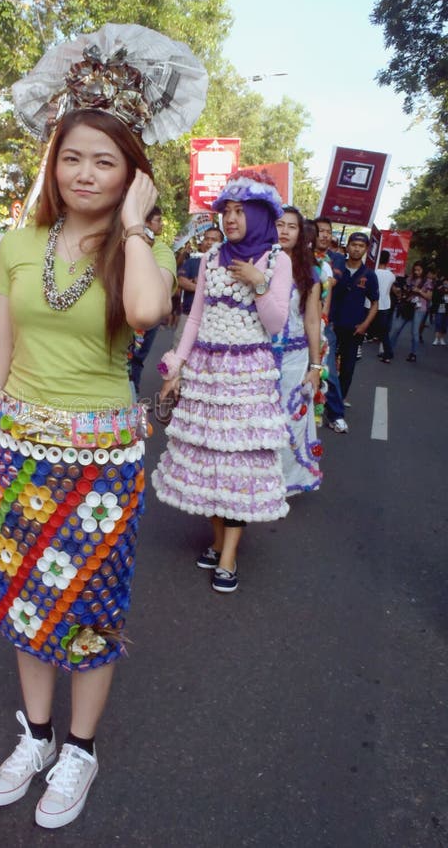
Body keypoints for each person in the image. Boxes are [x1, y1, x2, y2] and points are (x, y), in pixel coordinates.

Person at [0, 108, 175, 828]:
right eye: (70, 158)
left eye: (104, 162)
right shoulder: (18, 245)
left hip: (104, 467)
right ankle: (37, 737)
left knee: (90, 607)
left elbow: (145, 313)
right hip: (20, 452)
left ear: (133, 173)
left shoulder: (149, 251)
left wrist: (136, 225)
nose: (83, 173)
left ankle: (80, 749)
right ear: (52, 165)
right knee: (26, 599)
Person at [152, 170, 292, 594]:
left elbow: (275, 324)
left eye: (239, 211)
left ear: (258, 213)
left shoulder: (276, 260)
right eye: (226, 211)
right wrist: (176, 364)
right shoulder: (212, 258)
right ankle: (217, 541)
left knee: (238, 465)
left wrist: (259, 282)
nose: (230, 219)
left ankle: (228, 557)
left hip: (248, 381)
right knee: (210, 464)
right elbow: (195, 318)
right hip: (205, 378)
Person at [274, 206, 323, 494]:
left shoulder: (309, 273)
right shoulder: (261, 263)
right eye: (279, 224)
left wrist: (315, 368)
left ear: (300, 233)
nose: (284, 231)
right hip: (260, 357)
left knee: (290, 418)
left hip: (295, 357)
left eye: (291, 226)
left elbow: (313, 319)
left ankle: (285, 481)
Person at [328, 232, 379, 409]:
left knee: (348, 368)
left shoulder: (369, 275)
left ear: (365, 250)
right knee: (328, 366)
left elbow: (375, 303)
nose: (357, 248)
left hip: (354, 329)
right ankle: (324, 397)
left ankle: (339, 400)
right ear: (347, 246)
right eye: (354, 245)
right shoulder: (336, 269)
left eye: (361, 246)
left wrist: (365, 325)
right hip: (332, 326)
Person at [127, 205, 168, 395]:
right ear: (146, 222)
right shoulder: (123, 242)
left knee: (136, 360)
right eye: (158, 220)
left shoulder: (161, 250)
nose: (161, 224)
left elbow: (154, 305)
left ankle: (134, 395)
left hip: (143, 321)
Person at [315, 217, 348, 433]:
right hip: (296, 324)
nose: (325, 235)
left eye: (328, 231)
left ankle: (335, 414)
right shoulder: (296, 257)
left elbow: (331, 283)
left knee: (328, 372)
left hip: (322, 324)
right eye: (320, 231)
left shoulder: (334, 260)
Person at [172, 224, 223, 348]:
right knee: (179, 351)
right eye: (206, 239)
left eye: (213, 240)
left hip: (215, 320)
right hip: (188, 316)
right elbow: (181, 281)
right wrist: (205, 288)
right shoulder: (192, 262)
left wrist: (196, 284)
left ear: (222, 243)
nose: (209, 242)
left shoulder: (227, 265)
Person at [389, 261, 432, 362]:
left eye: (419, 270)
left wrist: (419, 291)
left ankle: (414, 353)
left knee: (415, 331)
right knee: (396, 328)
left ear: (423, 270)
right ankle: (389, 349)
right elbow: (404, 290)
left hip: (419, 307)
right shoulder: (409, 279)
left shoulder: (428, 282)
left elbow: (429, 297)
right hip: (407, 305)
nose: (417, 272)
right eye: (415, 270)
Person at [372, 250, 396, 363]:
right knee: (384, 331)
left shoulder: (373, 272)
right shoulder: (391, 275)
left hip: (372, 304)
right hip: (385, 304)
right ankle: (388, 353)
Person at [432, 276, 448, 346]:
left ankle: (442, 339)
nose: (447, 283)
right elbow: (434, 299)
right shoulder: (439, 289)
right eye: (445, 281)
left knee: (445, 324)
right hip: (440, 308)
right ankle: (436, 339)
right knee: (438, 323)